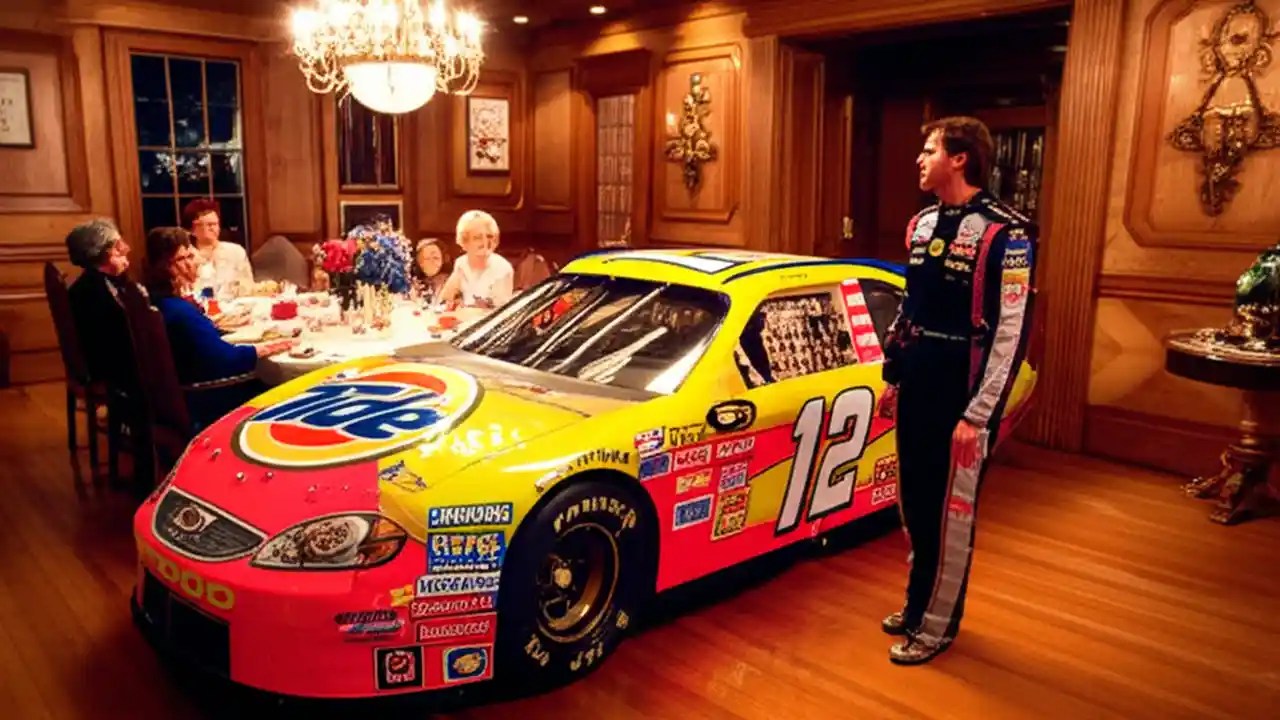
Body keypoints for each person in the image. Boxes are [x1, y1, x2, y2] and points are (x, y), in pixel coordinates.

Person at [877, 116, 1039, 665]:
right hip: (918, 378)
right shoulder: (922, 224)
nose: (920, 159)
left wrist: (978, 414)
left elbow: (1011, 332)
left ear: (960, 158)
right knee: (916, 500)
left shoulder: (1007, 233)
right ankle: (917, 604)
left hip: (962, 387)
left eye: (930, 150)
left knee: (952, 512)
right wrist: (894, 375)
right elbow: (910, 308)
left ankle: (937, 626)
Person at [142, 227, 290, 429]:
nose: (194, 263)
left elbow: (202, 342)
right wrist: (266, 348)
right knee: (286, 387)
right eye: (184, 258)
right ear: (165, 267)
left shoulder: (158, 302)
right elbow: (223, 359)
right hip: (209, 398)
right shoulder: (179, 311)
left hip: (186, 391)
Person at [63, 218, 141, 392]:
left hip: (108, 364)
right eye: (118, 249)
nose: (127, 249)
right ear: (102, 253)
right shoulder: (93, 292)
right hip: (111, 373)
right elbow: (121, 341)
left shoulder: (97, 282)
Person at [437, 210, 514, 309]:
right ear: (464, 242)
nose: (485, 242)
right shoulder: (461, 264)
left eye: (489, 236)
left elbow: (500, 312)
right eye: (478, 237)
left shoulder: (503, 268)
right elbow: (443, 300)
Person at [183, 198, 254, 299]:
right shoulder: (186, 257)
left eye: (216, 224)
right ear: (193, 229)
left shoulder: (236, 252)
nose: (213, 229)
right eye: (209, 225)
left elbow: (249, 286)